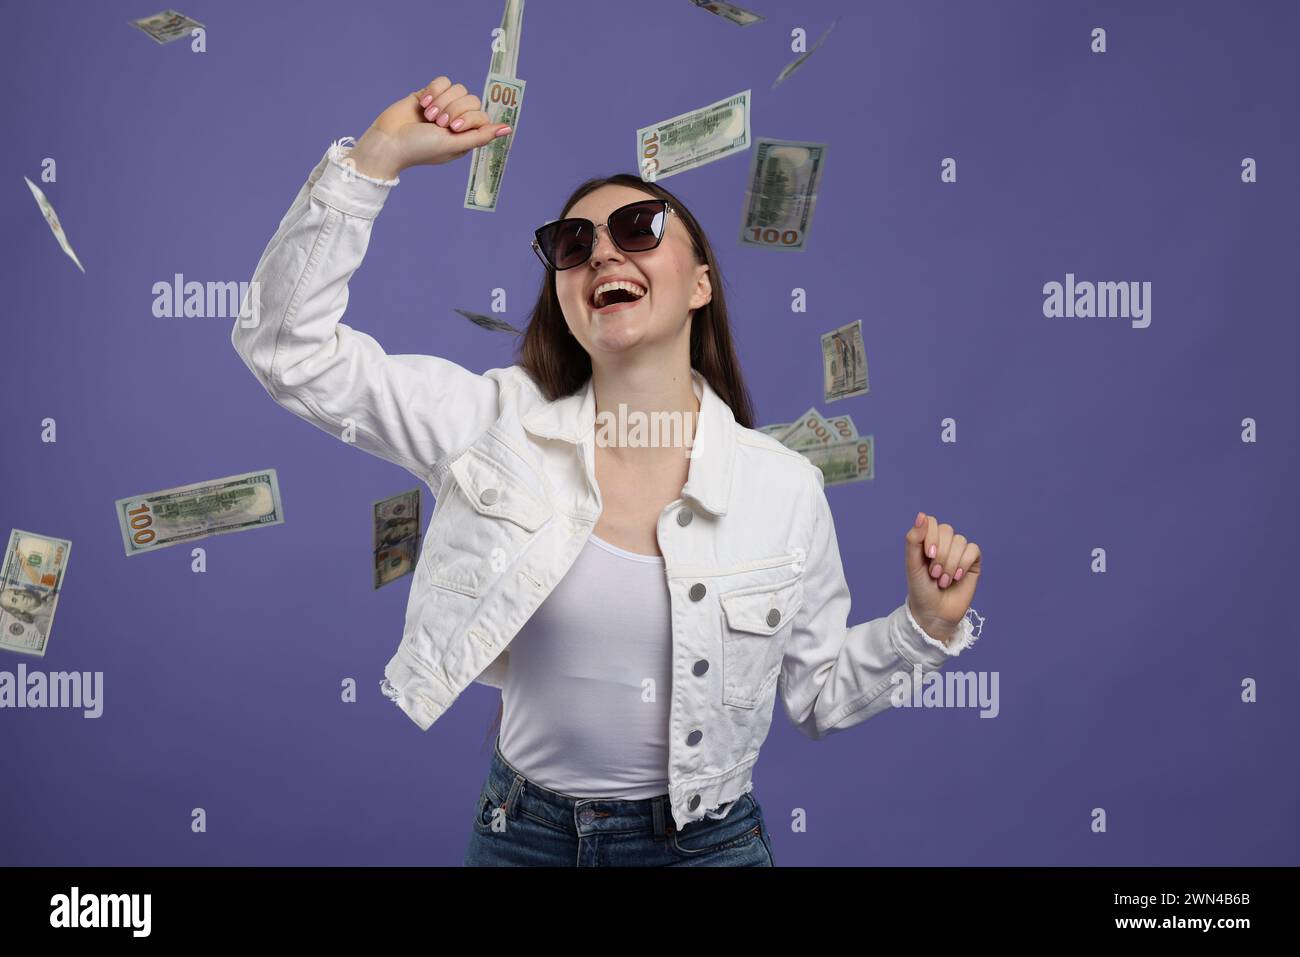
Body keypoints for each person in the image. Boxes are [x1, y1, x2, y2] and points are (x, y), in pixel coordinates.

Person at [231, 75, 984, 867]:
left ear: (700, 283)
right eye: (573, 243)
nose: (603, 252)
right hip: (524, 840)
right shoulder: (491, 425)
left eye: (639, 227)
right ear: (562, 290)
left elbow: (819, 694)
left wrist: (925, 626)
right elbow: (288, 350)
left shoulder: (782, 486)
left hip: (708, 850)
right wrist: (377, 155)